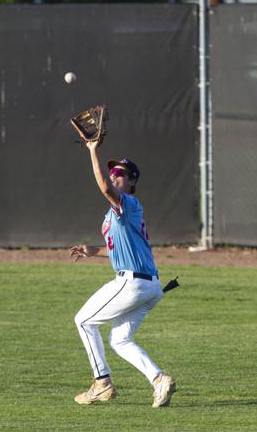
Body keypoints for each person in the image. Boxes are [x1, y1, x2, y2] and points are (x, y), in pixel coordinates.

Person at [69, 138, 175, 408]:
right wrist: (93, 250)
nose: (114, 176)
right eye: (113, 172)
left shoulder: (128, 203)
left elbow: (103, 186)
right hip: (149, 286)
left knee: (84, 321)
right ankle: (159, 380)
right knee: (120, 339)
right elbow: (118, 247)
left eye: (120, 174)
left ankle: (101, 382)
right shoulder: (115, 215)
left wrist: (93, 150)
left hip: (133, 283)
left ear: (131, 183)